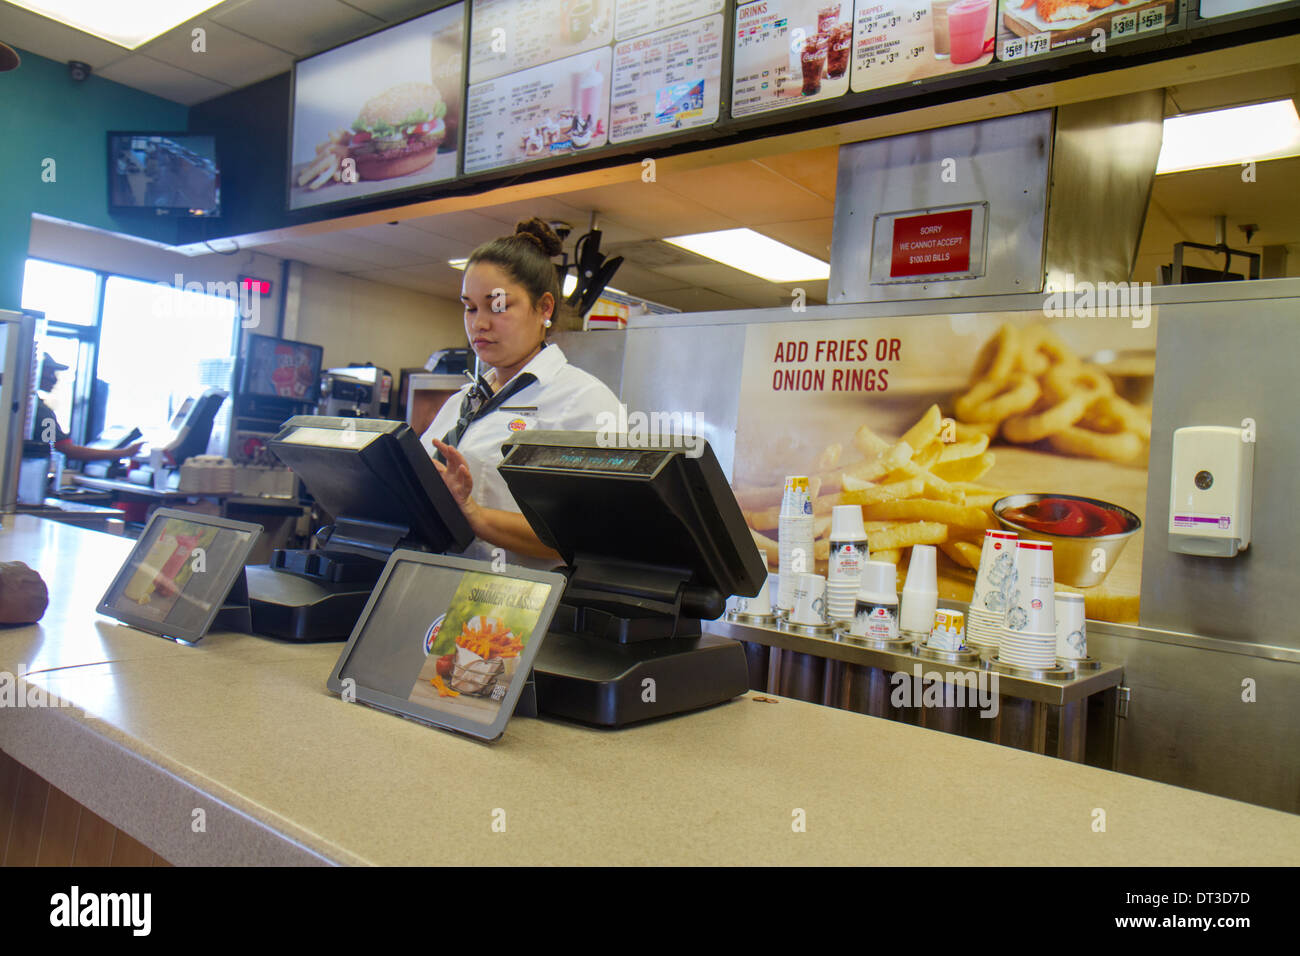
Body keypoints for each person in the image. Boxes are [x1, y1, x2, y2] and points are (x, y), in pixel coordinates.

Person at [422, 218, 622, 569]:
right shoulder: (462, 401)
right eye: (470, 307)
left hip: (523, 609)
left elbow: (593, 534)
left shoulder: (586, 401)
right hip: (443, 588)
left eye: (497, 306)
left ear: (544, 308)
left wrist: (475, 515)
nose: (478, 323)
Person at [33, 353, 143, 462]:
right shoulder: (41, 411)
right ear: (36, 371)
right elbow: (64, 449)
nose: (55, 379)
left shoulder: (34, 405)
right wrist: (125, 452)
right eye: (51, 372)